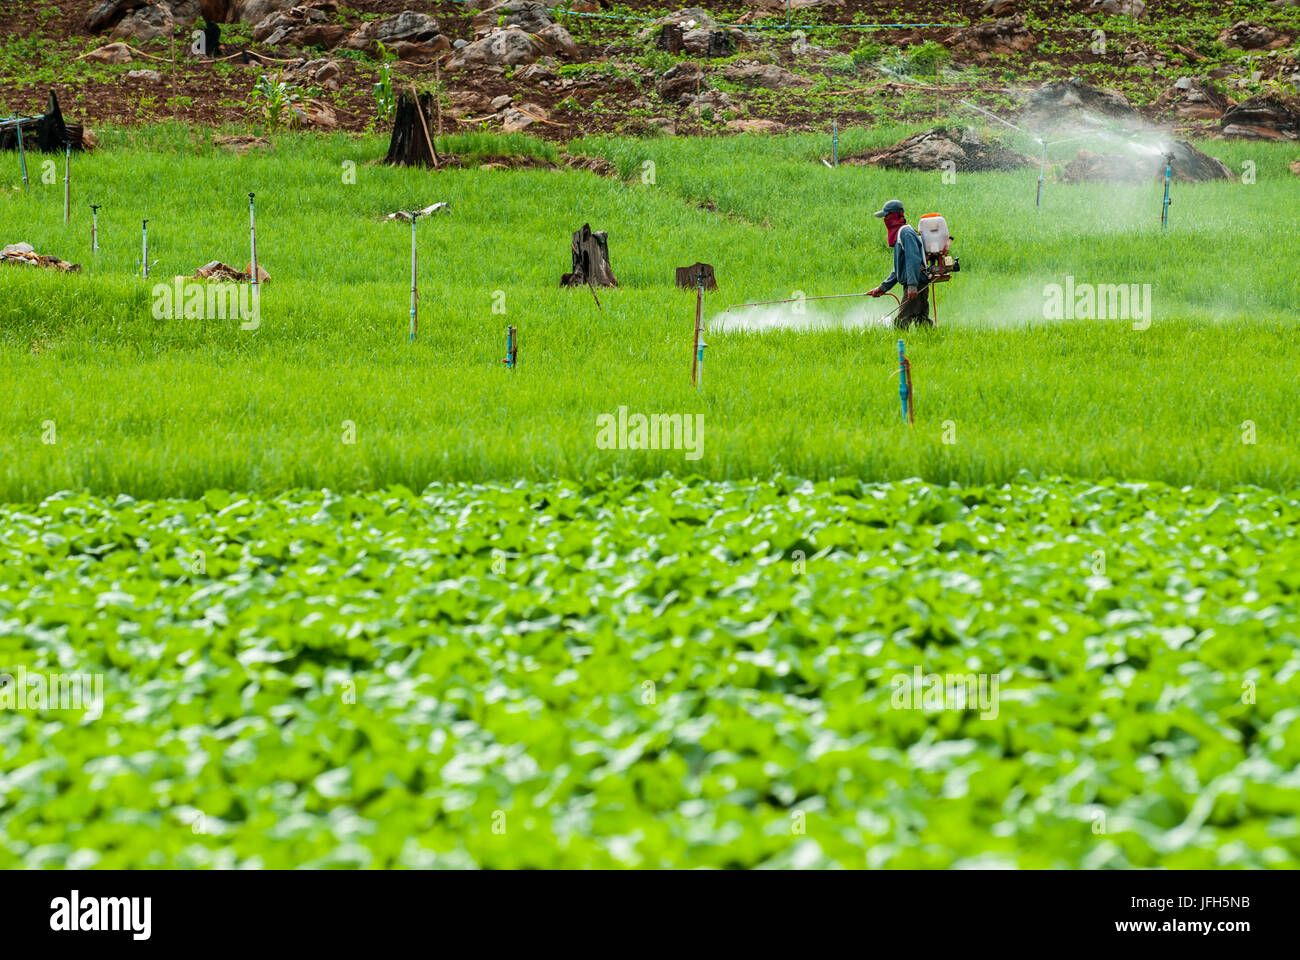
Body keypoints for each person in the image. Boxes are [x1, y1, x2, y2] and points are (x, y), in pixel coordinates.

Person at [866, 199, 932, 329]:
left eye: (887, 216)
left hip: (916, 284)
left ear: (895, 216)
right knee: (922, 322)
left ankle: (899, 347)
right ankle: (933, 342)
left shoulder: (905, 233)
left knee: (901, 322)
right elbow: (899, 268)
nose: (885, 219)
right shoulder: (901, 234)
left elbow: (913, 260)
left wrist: (912, 286)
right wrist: (882, 288)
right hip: (916, 283)